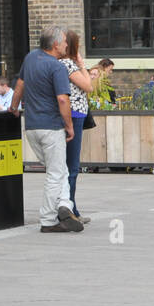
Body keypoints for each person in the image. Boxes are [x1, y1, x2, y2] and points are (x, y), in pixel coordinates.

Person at [10, 26, 83, 233]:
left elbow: (19, 86)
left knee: (59, 170)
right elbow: (62, 99)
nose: (67, 45)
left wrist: (14, 108)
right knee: (56, 173)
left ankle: (65, 205)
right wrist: (69, 127)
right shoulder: (57, 67)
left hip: (31, 127)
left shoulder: (31, 58)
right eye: (65, 42)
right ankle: (49, 219)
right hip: (51, 127)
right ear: (55, 45)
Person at [60, 30, 93, 225]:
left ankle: (71, 205)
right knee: (71, 165)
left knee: (69, 164)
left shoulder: (62, 64)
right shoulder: (68, 64)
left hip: (74, 114)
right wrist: (82, 65)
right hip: (74, 114)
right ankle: (69, 207)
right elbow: (88, 86)